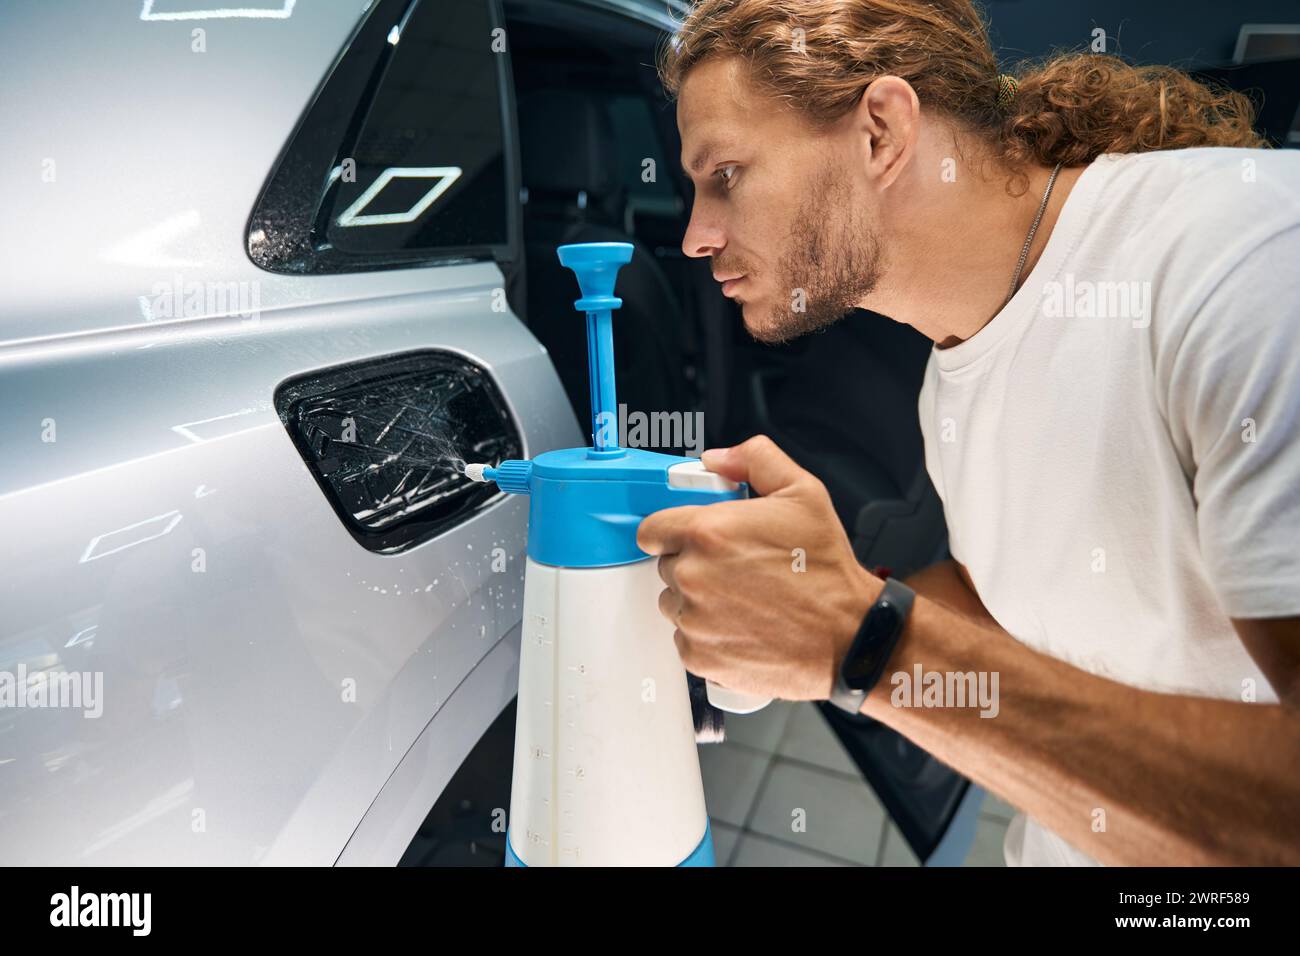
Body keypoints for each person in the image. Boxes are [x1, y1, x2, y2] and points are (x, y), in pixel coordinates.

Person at [638, 0, 1300, 865]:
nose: (695, 236)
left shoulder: (1243, 263)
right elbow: (1017, 596)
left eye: (724, 173)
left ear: (879, 131)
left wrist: (861, 638)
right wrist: (793, 611)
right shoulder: (951, 369)